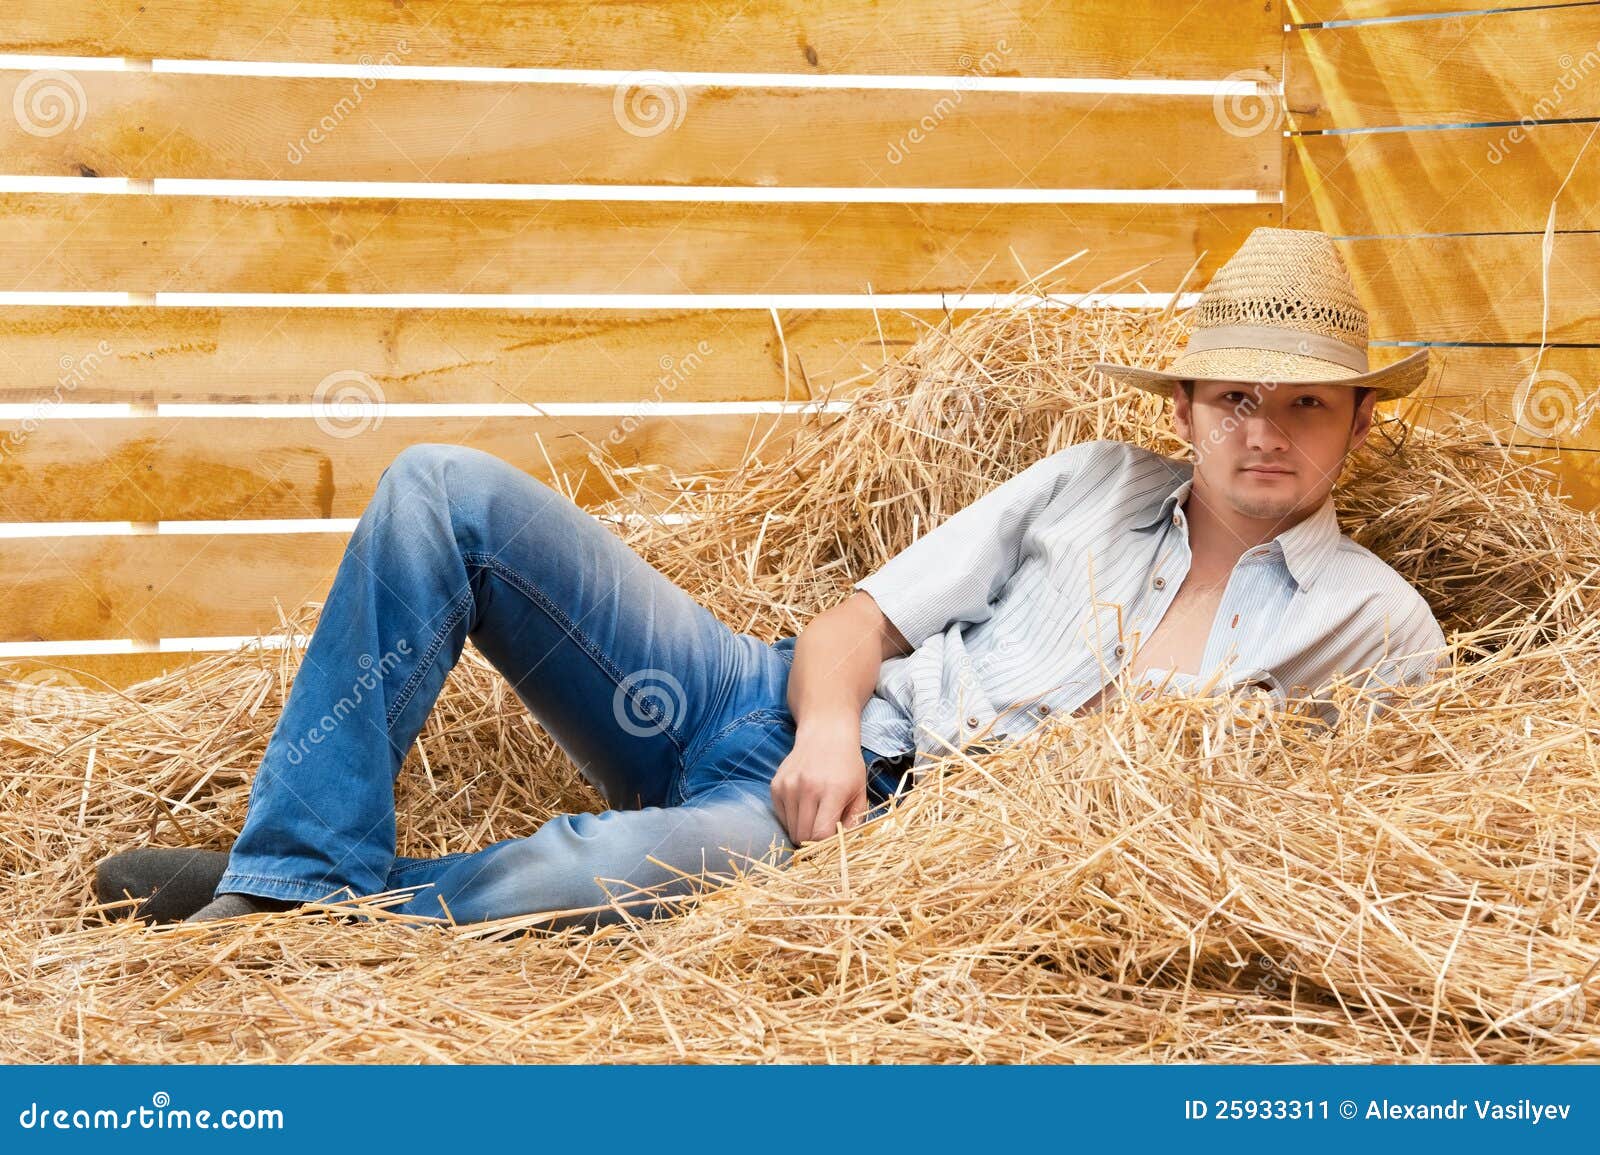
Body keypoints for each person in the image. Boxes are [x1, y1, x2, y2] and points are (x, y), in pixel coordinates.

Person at [93, 226, 1450, 930]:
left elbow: (1319, 855)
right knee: (442, 488)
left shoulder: (1372, 629)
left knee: (585, 873)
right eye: (1234, 398)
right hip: (756, 707)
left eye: (1306, 406)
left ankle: (295, 908)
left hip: (862, 841)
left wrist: (842, 800)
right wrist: (816, 735)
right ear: (1184, 411)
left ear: (1358, 425)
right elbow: (855, 622)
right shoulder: (1095, 480)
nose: (1263, 431)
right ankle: (300, 865)